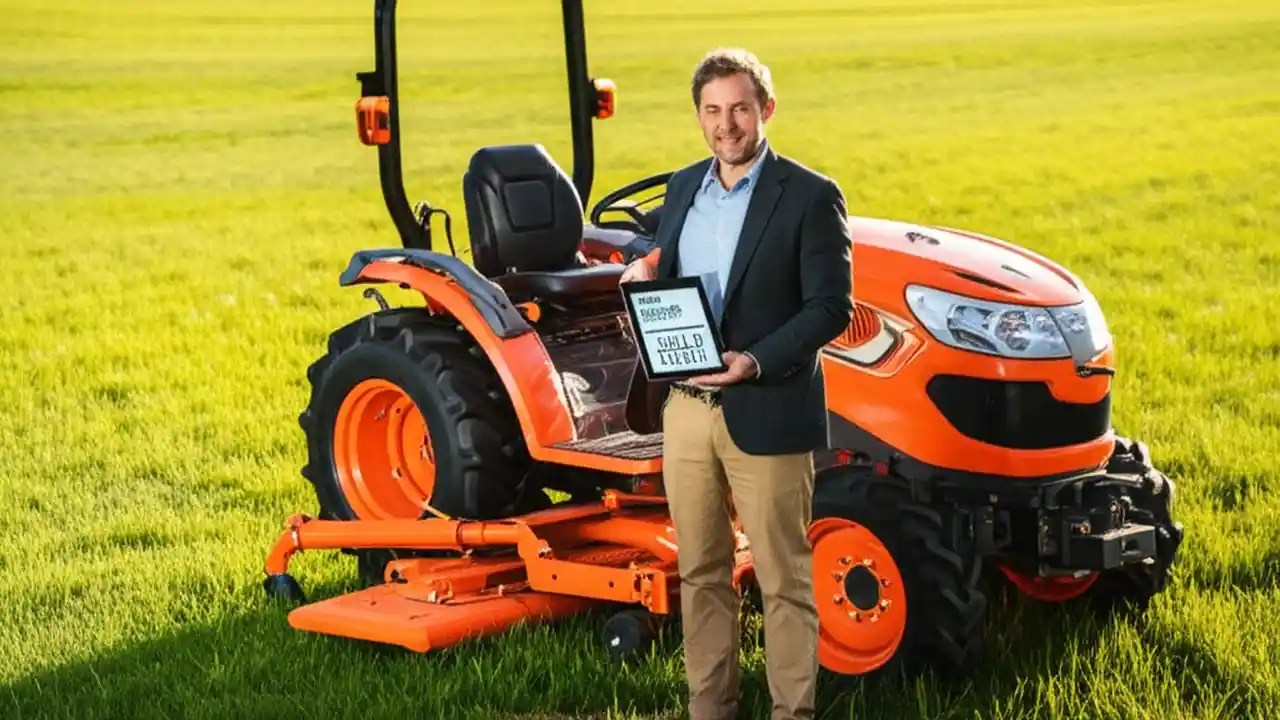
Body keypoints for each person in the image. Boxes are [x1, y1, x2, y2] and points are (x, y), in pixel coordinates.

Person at [620, 48, 853, 720]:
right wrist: (646, 268)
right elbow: (671, 257)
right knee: (700, 574)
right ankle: (710, 709)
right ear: (699, 116)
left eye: (739, 109)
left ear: (766, 110)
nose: (727, 125)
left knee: (784, 581)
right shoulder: (685, 185)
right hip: (688, 410)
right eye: (713, 111)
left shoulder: (810, 194)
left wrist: (754, 360)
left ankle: (792, 713)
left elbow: (830, 307)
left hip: (767, 404)